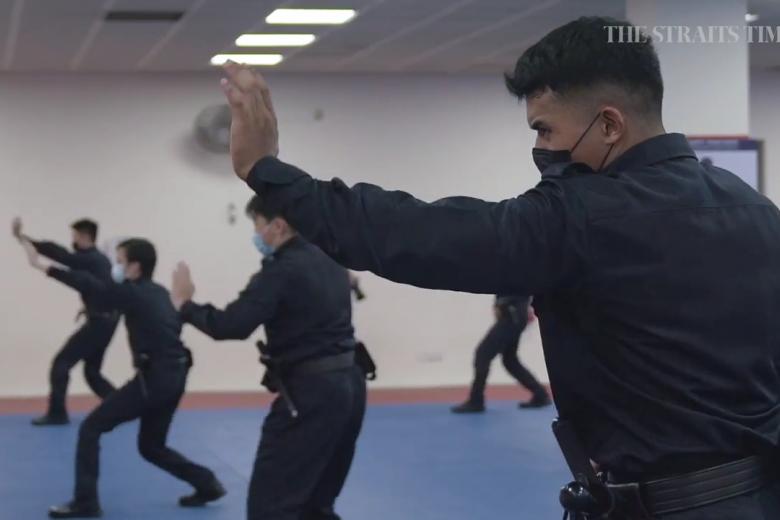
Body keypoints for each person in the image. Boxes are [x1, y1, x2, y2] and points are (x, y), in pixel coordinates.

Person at [216, 15, 780, 520]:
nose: (540, 147)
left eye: (545, 129)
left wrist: (268, 171)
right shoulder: (756, 209)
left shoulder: (582, 218)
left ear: (609, 125)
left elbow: (416, 235)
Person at [171, 196, 367, 520]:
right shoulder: (330, 258)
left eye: (258, 227)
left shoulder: (282, 270)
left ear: (278, 226)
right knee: (316, 503)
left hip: (312, 393)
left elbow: (231, 325)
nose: (257, 236)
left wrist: (185, 304)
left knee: (272, 507)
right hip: (350, 384)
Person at [19, 237, 225, 518]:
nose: (115, 268)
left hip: (154, 379)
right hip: (176, 376)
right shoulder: (159, 292)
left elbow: (88, 284)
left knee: (90, 428)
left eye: (119, 262)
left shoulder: (132, 292)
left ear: (135, 267)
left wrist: (40, 265)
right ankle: (207, 483)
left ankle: (86, 502)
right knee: (151, 447)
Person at [12, 217, 118, 426]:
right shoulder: (98, 260)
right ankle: (123, 406)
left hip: (99, 323)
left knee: (61, 363)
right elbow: (100, 288)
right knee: (92, 372)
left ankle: (57, 414)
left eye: (75, 236)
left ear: (85, 236)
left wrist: (40, 264)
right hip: (107, 321)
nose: (73, 241)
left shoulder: (91, 259)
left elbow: (69, 268)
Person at [452, 295, 550, 413]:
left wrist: (510, 304)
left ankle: (476, 401)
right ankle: (540, 394)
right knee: (510, 360)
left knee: (483, 354)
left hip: (512, 313)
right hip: (514, 313)